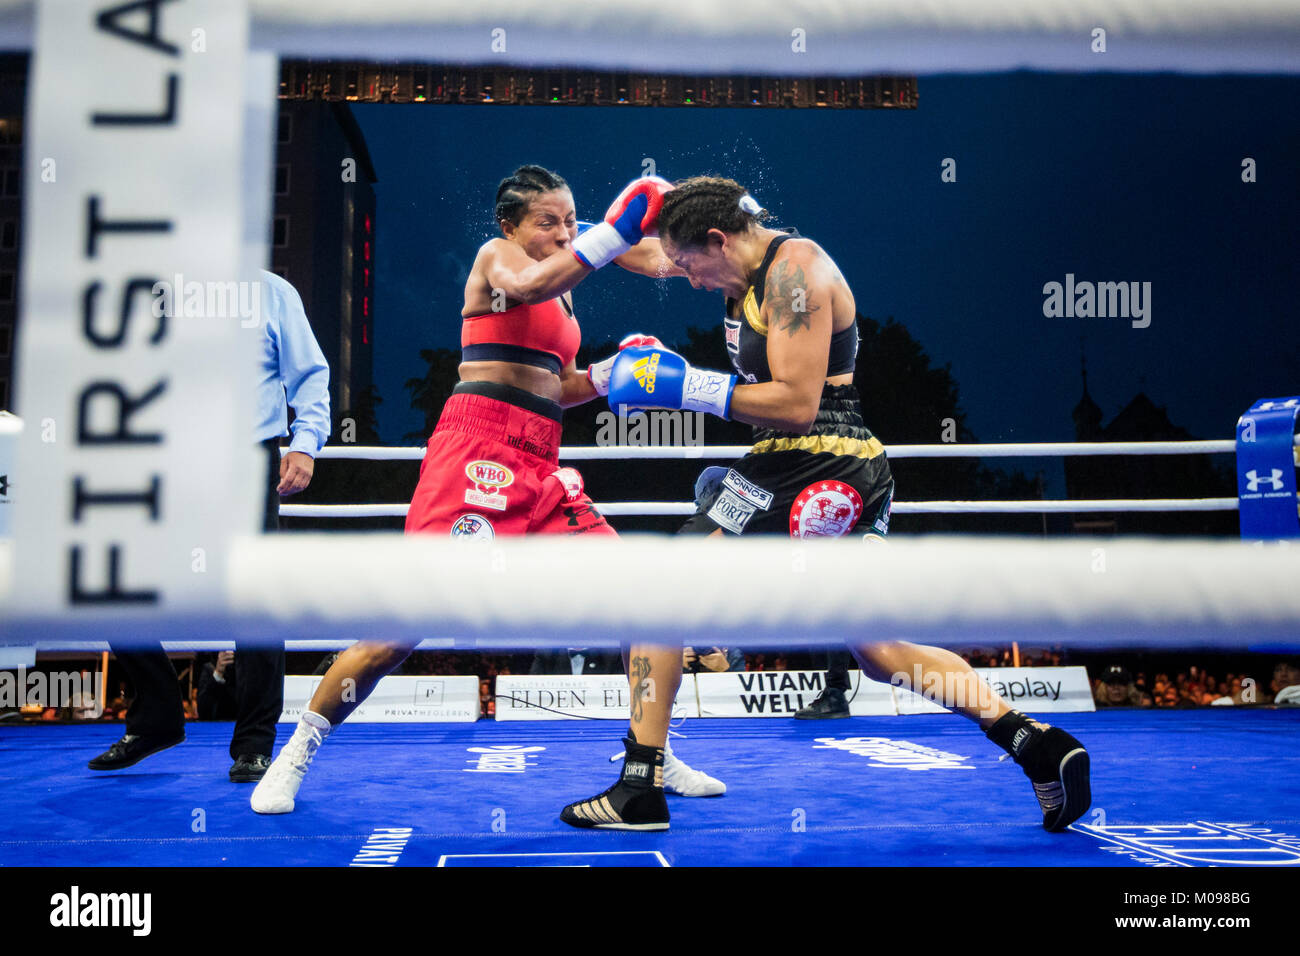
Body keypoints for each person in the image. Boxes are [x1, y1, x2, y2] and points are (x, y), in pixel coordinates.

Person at [561, 176, 1091, 833]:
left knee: (655, 594)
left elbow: (795, 403)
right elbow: (649, 255)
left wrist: (683, 385)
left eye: (694, 265)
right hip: (838, 470)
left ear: (719, 240)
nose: (689, 282)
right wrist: (569, 235)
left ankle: (640, 786)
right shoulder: (738, 265)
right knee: (878, 649)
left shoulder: (795, 274)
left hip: (810, 458)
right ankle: (1037, 744)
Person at [251, 165, 721, 813]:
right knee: (402, 627)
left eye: (570, 219)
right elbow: (529, 286)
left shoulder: (568, 283)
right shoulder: (499, 259)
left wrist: (616, 372)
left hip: (543, 457)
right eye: (547, 221)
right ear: (510, 225)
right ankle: (297, 750)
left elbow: (562, 381)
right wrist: (610, 235)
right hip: (476, 451)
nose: (563, 232)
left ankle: (653, 760)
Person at [88, 270, 329, 782]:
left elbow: (309, 373)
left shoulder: (271, 292)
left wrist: (306, 439)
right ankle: (156, 716)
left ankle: (254, 745)